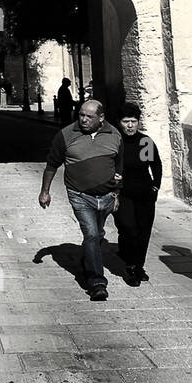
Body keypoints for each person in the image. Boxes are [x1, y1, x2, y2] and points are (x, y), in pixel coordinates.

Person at [39, 99, 123, 301]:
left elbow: (119, 166)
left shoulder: (115, 135)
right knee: (92, 234)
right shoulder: (66, 134)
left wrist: (118, 193)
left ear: (101, 118)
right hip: (80, 195)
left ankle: (88, 260)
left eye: (89, 116)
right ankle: (97, 283)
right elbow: (52, 164)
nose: (83, 119)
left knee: (97, 234)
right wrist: (45, 191)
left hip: (107, 197)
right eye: (81, 115)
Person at [113, 102, 162, 286]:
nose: (130, 125)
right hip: (123, 193)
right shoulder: (116, 143)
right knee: (128, 228)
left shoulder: (145, 142)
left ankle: (138, 266)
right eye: (126, 121)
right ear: (120, 123)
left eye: (134, 121)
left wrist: (155, 187)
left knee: (143, 231)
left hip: (144, 193)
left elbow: (155, 165)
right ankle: (130, 264)